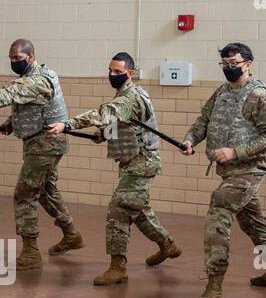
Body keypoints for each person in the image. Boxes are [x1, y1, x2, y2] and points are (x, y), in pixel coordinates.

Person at [0, 38, 82, 269]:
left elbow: (7, 95)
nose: (13, 62)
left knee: (24, 194)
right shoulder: (31, 78)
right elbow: (29, 105)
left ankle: (31, 251)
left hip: (46, 144)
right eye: (11, 58)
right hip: (39, 143)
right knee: (45, 192)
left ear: (30, 57)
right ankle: (71, 233)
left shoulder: (39, 80)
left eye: (17, 58)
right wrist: (11, 122)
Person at [48, 52, 180, 285]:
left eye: (118, 72)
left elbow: (105, 113)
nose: (112, 75)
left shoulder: (130, 97)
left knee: (118, 210)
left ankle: (117, 266)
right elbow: (120, 123)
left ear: (131, 73)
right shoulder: (124, 95)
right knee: (136, 210)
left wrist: (66, 124)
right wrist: (103, 134)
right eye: (110, 70)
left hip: (142, 162)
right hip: (132, 161)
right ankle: (167, 245)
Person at [180, 43, 266, 298]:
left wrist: (236, 152)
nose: (229, 68)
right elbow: (203, 120)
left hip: (248, 171)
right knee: (252, 223)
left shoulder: (259, 96)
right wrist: (190, 139)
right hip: (229, 173)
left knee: (218, 210)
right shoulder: (223, 92)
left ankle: (214, 287)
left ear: (248, 64)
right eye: (224, 64)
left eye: (234, 63)